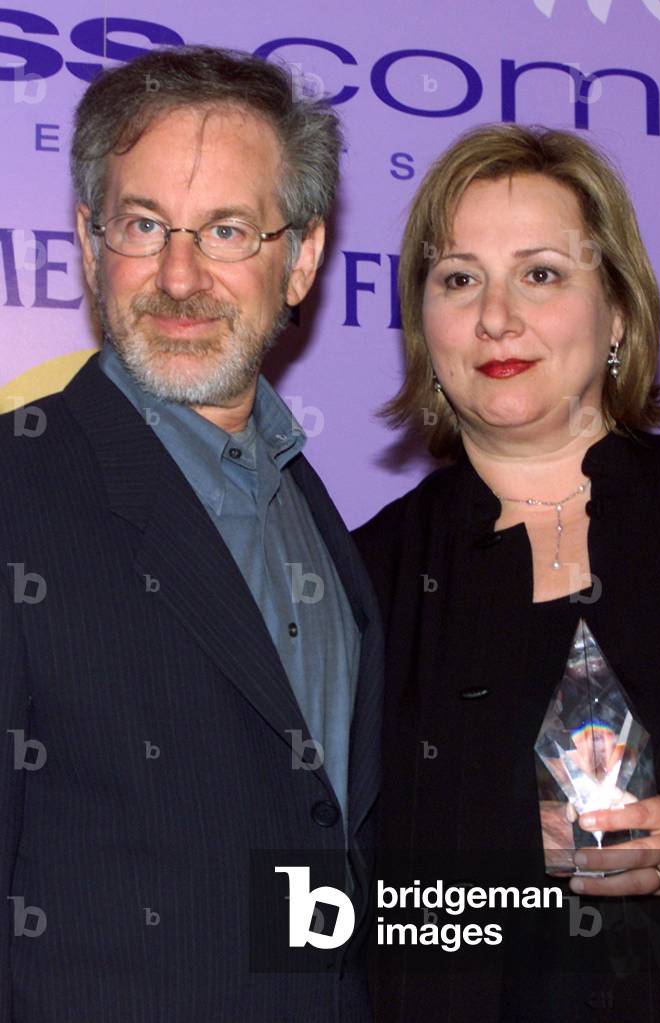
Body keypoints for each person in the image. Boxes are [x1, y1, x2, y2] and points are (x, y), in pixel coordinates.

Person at [354, 124, 660, 1021]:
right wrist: (489, 873)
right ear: (424, 327)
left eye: (540, 273)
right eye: (458, 278)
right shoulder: (356, 579)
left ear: (616, 311)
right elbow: (302, 915)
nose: (495, 317)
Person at [0, 46, 382, 1022]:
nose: (180, 275)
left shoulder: (317, 521)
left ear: (299, 260)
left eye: (225, 230)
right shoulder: (16, 491)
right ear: (89, 246)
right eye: (142, 225)